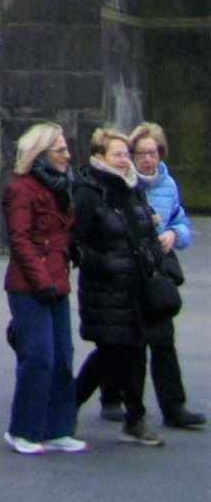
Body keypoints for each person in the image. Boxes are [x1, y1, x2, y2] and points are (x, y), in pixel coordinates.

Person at [73, 126, 170, 447]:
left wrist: (153, 259)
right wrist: (112, 266)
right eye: (117, 154)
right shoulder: (89, 192)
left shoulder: (133, 189)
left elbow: (147, 232)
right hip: (106, 291)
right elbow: (78, 246)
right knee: (111, 351)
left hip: (136, 288)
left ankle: (134, 418)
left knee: (133, 351)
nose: (123, 160)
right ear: (99, 156)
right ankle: (70, 403)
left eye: (126, 154)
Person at [0, 122, 83, 454]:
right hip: (29, 286)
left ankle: (57, 427)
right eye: (60, 149)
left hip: (57, 281)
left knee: (63, 356)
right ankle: (23, 430)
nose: (67, 155)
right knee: (39, 358)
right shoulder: (21, 190)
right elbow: (19, 240)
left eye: (65, 149)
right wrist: (41, 281)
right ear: (42, 153)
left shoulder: (60, 187)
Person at [131, 121, 203, 430]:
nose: (148, 159)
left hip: (158, 269)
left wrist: (174, 233)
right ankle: (110, 397)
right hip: (131, 269)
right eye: (142, 153)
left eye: (154, 152)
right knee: (124, 343)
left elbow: (183, 224)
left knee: (163, 338)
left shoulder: (168, 185)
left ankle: (174, 407)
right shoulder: (125, 184)